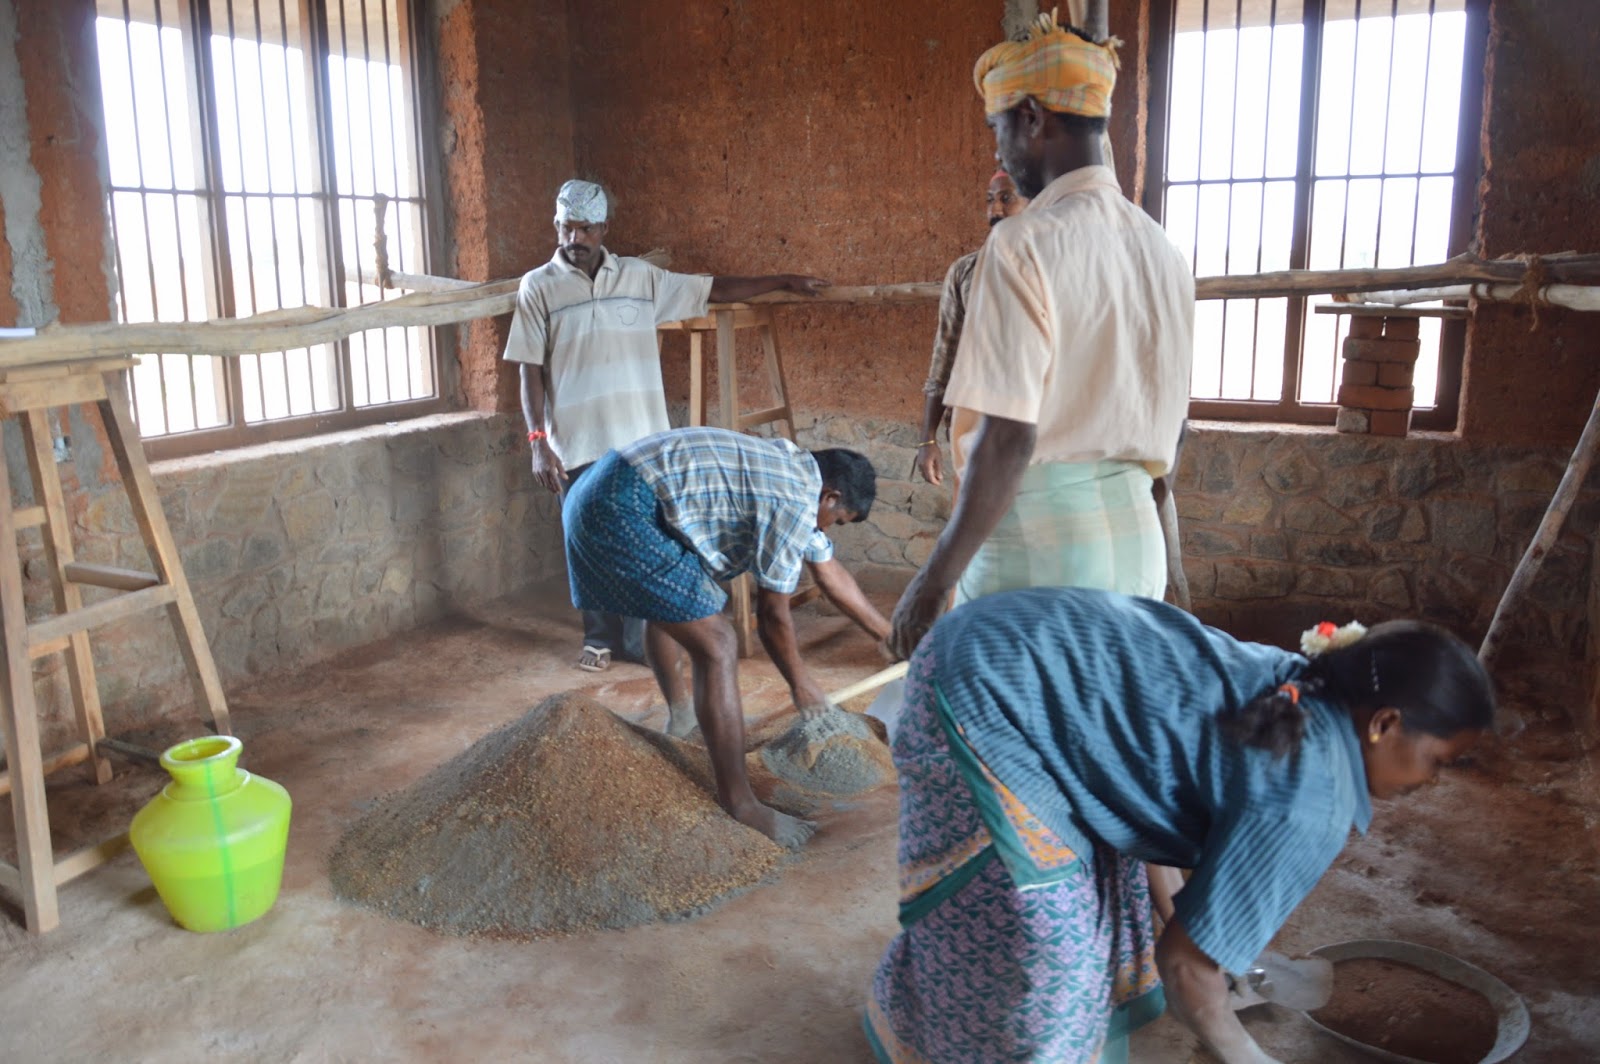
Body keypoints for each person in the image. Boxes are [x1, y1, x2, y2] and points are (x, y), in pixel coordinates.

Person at [865, 586, 1495, 1064]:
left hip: (1016, 641)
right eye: (1436, 762)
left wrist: (1187, 928)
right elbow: (1187, 969)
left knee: (1117, 898)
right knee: (1040, 939)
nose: (1430, 783)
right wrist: (1247, 1052)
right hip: (984, 684)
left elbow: (1149, 791)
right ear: (1383, 724)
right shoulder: (1311, 800)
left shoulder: (1306, 692)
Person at [887, 12, 1195, 659]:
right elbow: (1175, 424)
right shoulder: (1162, 250)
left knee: (1001, 752)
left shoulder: (1022, 245)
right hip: (1136, 554)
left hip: (1037, 556)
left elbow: (1007, 437)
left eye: (998, 129)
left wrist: (931, 581)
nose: (999, 151)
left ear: (1031, 116)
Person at [504, 178, 828, 673]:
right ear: (556, 225)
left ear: (603, 228)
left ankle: (638, 639)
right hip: (575, 440)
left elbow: (714, 288)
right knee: (584, 538)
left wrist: (783, 279)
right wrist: (537, 441)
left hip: (641, 447)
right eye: (566, 227)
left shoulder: (641, 277)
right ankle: (598, 637)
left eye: (585, 228)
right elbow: (528, 368)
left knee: (644, 539)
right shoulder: (538, 286)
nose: (575, 238)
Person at [562, 426, 892, 849]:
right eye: (838, 520)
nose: (831, 529)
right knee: (718, 642)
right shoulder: (793, 500)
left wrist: (890, 635)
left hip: (604, 486)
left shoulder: (795, 472)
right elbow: (773, 617)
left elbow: (829, 572)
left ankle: (683, 717)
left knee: (679, 599)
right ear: (829, 496)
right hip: (615, 507)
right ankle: (742, 805)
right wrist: (801, 684)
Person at [914, 169, 1030, 487]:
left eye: (1007, 198)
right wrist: (927, 438)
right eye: (990, 200)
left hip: (1037, 433)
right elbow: (944, 355)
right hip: (975, 430)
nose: (996, 210)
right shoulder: (966, 271)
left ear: (1032, 203)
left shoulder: (1050, 266)